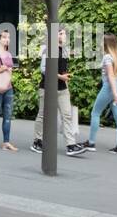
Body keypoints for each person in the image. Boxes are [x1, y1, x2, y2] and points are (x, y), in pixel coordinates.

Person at [32, 28, 86, 158]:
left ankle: (70, 145)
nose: (64, 35)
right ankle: (37, 141)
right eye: (61, 33)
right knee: (43, 114)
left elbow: (63, 70)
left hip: (62, 88)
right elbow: (44, 70)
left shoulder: (64, 50)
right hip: (47, 88)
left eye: (65, 33)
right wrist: (60, 77)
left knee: (67, 116)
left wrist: (65, 83)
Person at [86, 33, 117, 154]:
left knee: (95, 113)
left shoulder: (107, 57)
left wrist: (114, 94)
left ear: (105, 44)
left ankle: (91, 143)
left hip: (110, 88)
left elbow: (110, 76)